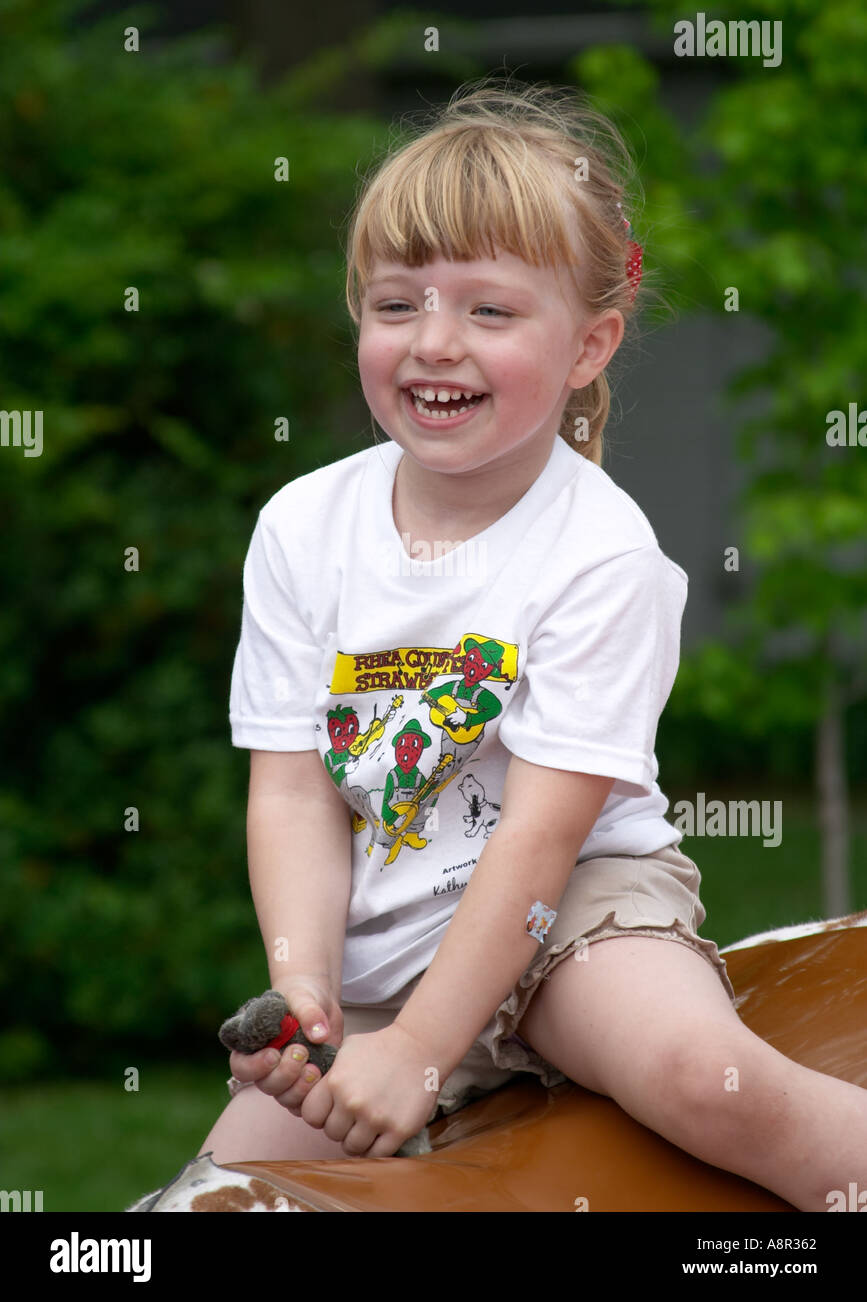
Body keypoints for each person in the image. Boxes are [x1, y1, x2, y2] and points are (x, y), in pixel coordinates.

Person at [198, 78, 867, 1210]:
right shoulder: (303, 527)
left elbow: (542, 846)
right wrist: (309, 993)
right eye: (396, 304)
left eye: (490, 312)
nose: (433, 344)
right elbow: (295, 793)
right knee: (228, 1182)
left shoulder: (600, 552)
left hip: (576, 917)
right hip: (387, 941)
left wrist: (421, 1049)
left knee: (703, 1080)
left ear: (590, 343)